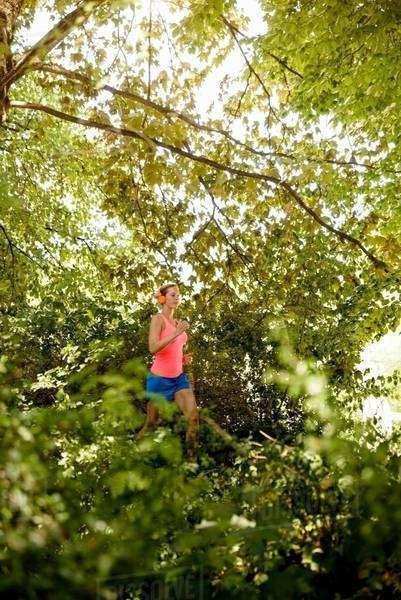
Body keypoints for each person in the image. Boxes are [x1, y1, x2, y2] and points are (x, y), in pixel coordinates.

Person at [137, 282, 200, 461]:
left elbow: (171, 352)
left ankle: (191, 464)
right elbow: (153, 347)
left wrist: (182, 359)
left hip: (178, 378)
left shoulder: (178, 322)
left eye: (178, 294)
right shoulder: (158, 319)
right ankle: (133, 453)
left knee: (194, 418)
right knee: (151, 424)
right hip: (159, 380)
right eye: (173, 295)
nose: (177, 297)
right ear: (163, 299)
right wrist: (176, 333)